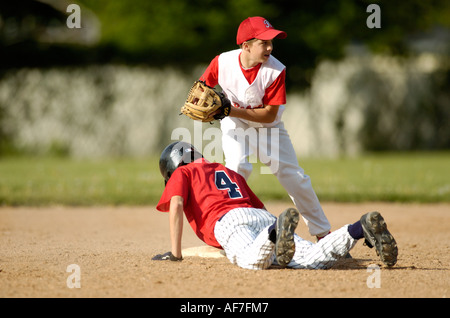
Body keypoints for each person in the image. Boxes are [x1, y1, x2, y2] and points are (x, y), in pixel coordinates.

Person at [152, 141, 398, 270]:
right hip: (261, 215)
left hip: (227, 221)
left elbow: (176, 203)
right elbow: (255, 204)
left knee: (251, 261)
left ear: (174, 167)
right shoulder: (224, 169)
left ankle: (275, 234)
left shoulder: (182, 173)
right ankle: (358, 228)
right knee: (313, 259)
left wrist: (175, 254)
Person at [198, 16, 331, 241]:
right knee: (237, 166)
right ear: (246, 46)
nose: (270, 47)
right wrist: (202, 102)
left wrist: (229, 110)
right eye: (264, 42)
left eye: (271, 42)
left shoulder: (275, 70)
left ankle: (323, 233)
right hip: (235, 121)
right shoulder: (222, 62)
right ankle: (230, 231)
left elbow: (269, 115)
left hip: (268, 126)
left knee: (294, 177)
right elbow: (202, 87)